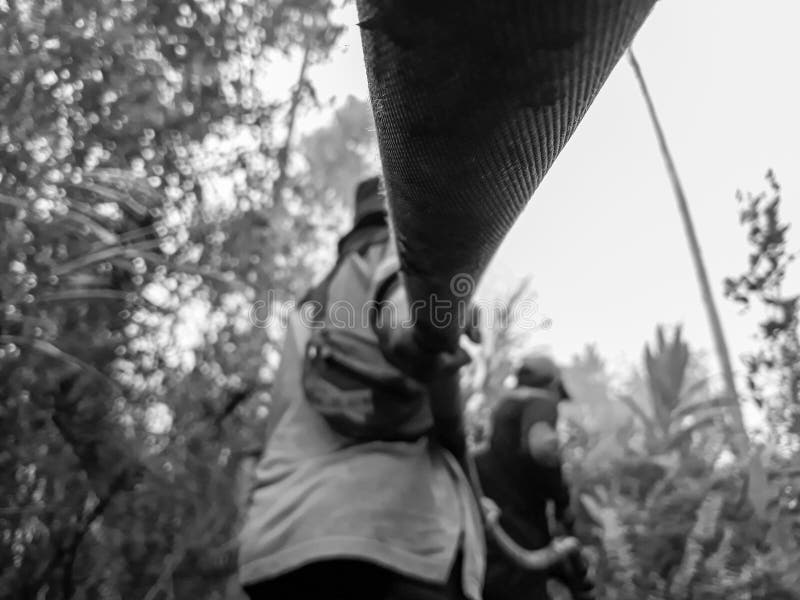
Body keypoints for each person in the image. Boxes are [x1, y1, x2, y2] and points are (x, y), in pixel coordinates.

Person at [237, 176, 485, 600]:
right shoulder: (401, 250)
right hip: (392, 537)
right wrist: (425, 329)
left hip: (282, 541)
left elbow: (277, 425)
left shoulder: (308, 309)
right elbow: (403, 304)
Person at [476, 355, 595, 600]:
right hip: (524, 534)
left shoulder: (503, 408)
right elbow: (542, 447)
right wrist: (561, 502)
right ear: (553, 385)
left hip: (495, 531)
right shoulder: (541, 401)